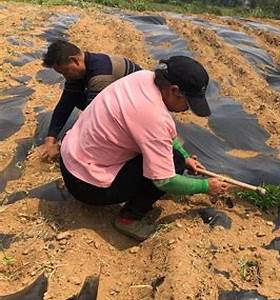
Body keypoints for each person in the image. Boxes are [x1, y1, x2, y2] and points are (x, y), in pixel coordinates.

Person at [59, 56, 228, 241]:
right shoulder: (153, 117)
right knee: (173, 164)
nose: (187, 108)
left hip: (70, 158)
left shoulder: (143, 77)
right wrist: (205, 186)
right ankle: (128, 219)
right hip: (85, 185)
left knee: (178, 158)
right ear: (174, 90)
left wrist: (186, 156)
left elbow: (168, 136)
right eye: (188, 103)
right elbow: (164, 180)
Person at [40, 39, 142, 161]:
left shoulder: (101, 75)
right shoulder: (81, 70)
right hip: (117, 98)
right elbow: (65, 105)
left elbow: (93, 118)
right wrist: (50, 138)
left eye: (65, 71)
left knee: (98, 128)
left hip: (137, 104)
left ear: (74, 60)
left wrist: (61, 146)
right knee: (74, 96)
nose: (65, 76)